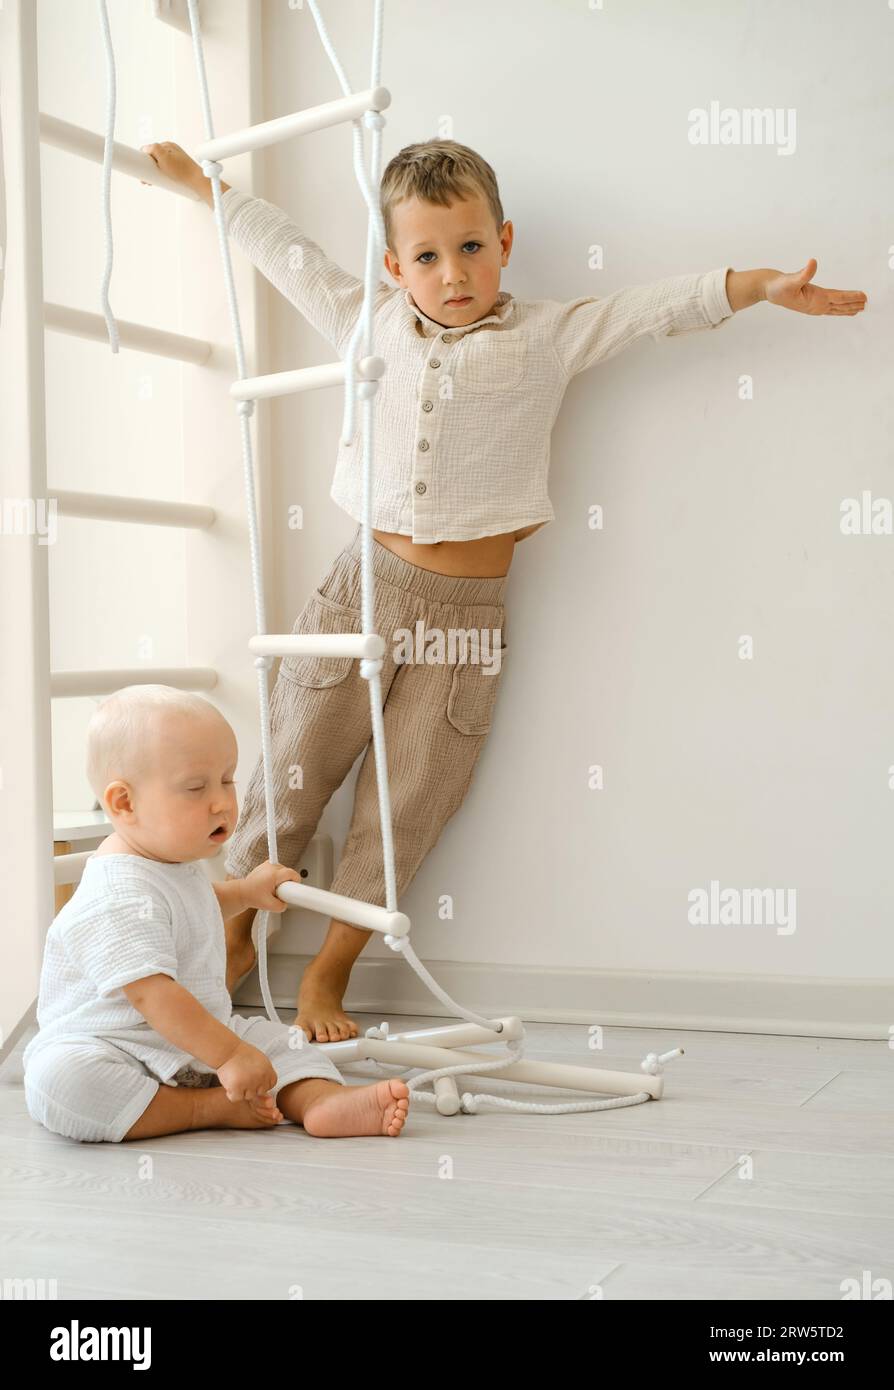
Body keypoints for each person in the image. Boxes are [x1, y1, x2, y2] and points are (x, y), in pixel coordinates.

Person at [141, 136, 867, 1045]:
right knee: (291, 772)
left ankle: (328, 975)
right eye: (429, 256)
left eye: (472, 247)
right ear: (395, 264)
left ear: (506, 241)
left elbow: (650, 309)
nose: (453, 274)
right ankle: (238, 929)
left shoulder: (546, 337)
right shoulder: (367, 321)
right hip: (360, 587)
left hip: (464, 622)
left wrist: (755, 284)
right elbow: (290, 254)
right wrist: (210, 189)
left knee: (407, 803)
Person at [22, 685, 409, 1142]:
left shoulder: (167, 863)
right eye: (195, 787)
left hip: (200, 1037)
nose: (222, 801)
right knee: (64, 1083)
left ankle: (320, 1101)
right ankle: (204, 1108)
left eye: (227, 780)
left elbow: (195, 908)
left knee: (283, 1042)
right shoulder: (116, 892)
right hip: (117, 1046)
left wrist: (245, 892)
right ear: (124, 803)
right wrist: (228, 1056)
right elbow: (154, 996)